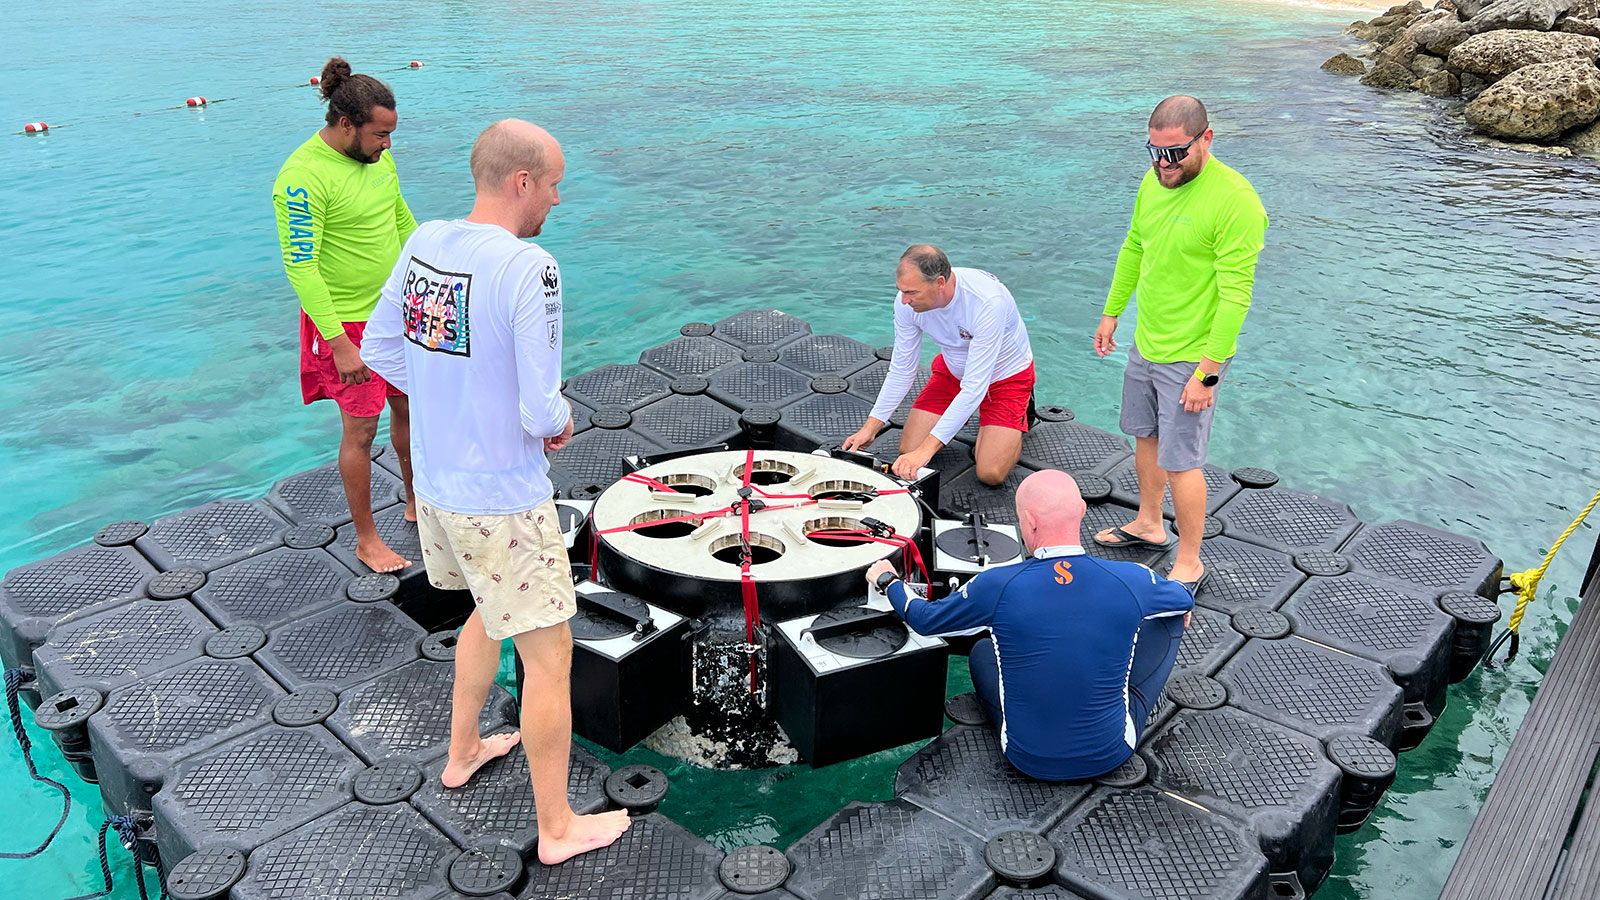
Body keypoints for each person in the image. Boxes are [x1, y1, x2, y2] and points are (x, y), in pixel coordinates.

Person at [361, 120, 631, 863]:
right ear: (522, 182)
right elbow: (541, 410)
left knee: (486, 609)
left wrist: (450, 397)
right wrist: (558, 421)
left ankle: (463, 751)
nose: (556, 198)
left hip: (439, 489)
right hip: (501, 496)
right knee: (550, 661)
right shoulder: (528, 266)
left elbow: (381, 347)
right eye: (553, 184)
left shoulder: (424, 243)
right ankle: (557, 827)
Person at [866, 469, 1193, 780]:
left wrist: (888, 580)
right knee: (1171, 616)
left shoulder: (995, 584)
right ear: (1081, 511)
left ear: (1028, 521)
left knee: (983, 649)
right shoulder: (1132, 578)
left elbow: (923, 620)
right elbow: (1183, 597)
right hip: (1110, 753)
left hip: (1026, 758)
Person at [1092, 95, 1268, 592]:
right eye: (1155, 151)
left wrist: (1207, 372)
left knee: (1183, 459)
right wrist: (1112, 313)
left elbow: (1237, 295)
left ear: (1206, 139)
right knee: (1145, 436)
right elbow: (1134, 245)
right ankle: (1150, 523)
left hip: (1195, 352)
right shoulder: (1155, 180)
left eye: (1176, 153)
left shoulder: (1235, 201)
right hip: (1148, 340)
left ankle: (1189, 559)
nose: (1164, 163)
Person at [274, 56, 419, 573]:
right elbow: (301, 266)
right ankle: (366, 539)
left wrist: (427, 285)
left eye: (391, 134)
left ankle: (415, 499)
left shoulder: (378, 159)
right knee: (360, 430)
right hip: (346, 324)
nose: (388, 145)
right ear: (345, 125)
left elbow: (400, 219)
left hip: (398, 309)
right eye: (380, 134)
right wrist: (338, 343)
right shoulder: (301, 177)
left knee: (410, 408)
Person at [842, 245, 1035, 485]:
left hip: (1005, 377)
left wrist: (927, 451)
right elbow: (902, 369)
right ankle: (969, 421)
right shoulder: (906, 302)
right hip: (953, 369)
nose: (904, 300)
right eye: (901, 291)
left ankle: (1022, 411)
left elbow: (975, 386)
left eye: (912, 292)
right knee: (908, 450)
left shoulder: (987, 301)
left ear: (940, 282)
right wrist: (871, 427)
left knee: (990, 473)